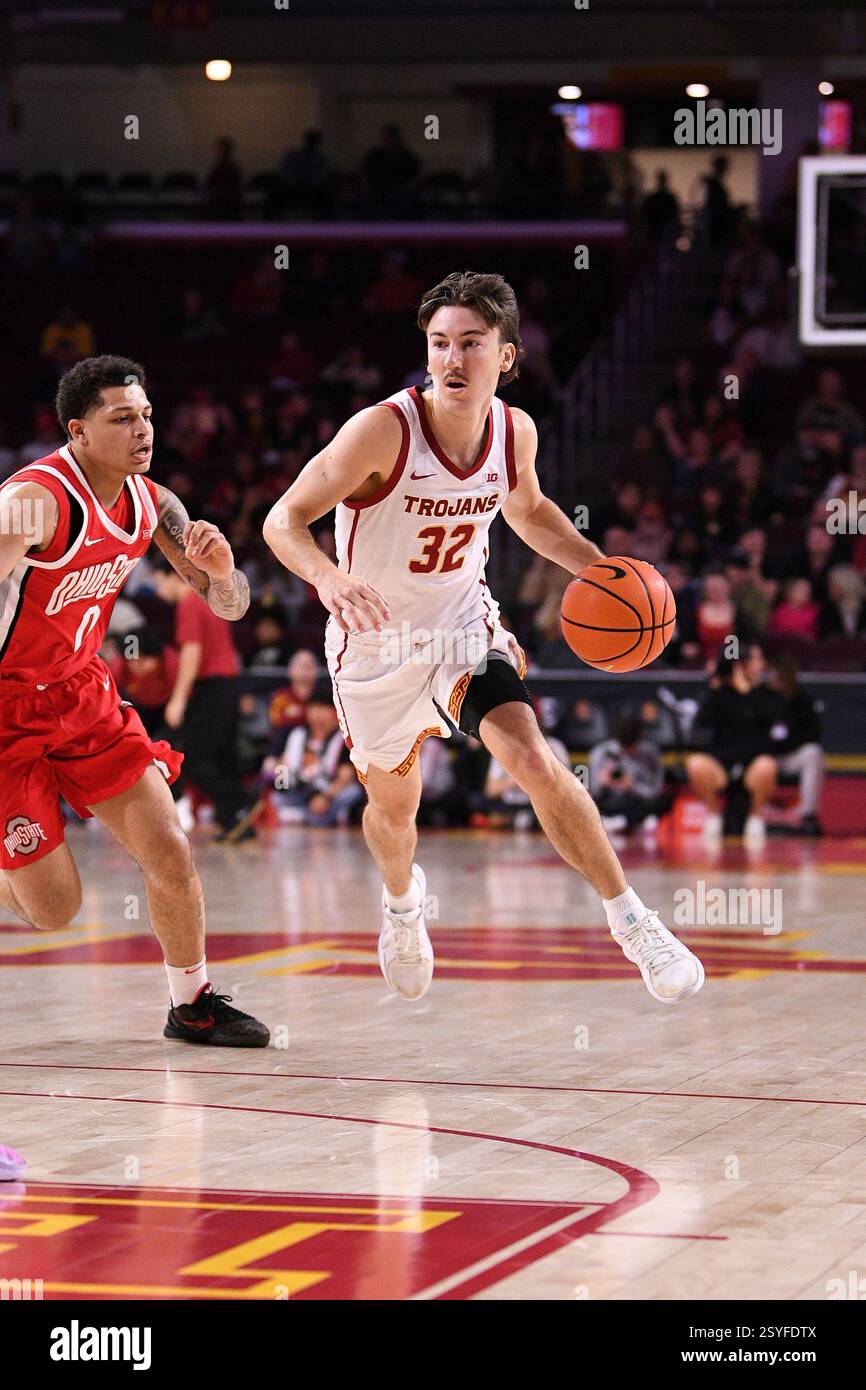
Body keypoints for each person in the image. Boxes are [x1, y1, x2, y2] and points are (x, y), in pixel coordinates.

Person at [263, 270, 704, 1005]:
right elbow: (284, 519)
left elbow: (526, 511)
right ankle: (404, 906)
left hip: (462, 628)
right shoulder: (381, 429)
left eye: (472, 343)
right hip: (374, 647)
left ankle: (634, 924)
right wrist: (326, 578)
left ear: (506, 355)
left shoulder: (514, 430)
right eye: (439, 344)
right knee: (394, 813)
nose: (452, 360)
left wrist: (600, 574)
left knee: (532, 756)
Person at [0, 355, 268, 1046]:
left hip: (83, 692)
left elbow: (230, 608)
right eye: (122, 419)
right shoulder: (34, 501)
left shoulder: (153, 503)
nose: (142, 429)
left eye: (145, 414)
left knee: (171, 849)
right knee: (56, 912)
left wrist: (223, 572)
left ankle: (193, 1004)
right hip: (7, 710)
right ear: (79, 432)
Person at [151, 556, 257, 842]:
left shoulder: (188, 604)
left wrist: (178, 699)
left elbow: (192, 652)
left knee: (194, 756)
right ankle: (236, 822)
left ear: (173, 576)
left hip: (212, 687)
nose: (156, 589)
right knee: (223, 755)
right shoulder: (208, 600)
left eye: (158, 581)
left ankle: (240, 802)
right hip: (228, 685)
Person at [686, 654, 777, 843]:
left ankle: (756, 817)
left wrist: (747, 692)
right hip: (721, 763)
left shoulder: (764, 693)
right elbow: (698, 733)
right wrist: (714, 688)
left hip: (752, 763)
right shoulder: (716, 694)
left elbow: (772, 724)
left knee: (767, 765)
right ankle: (713, 816)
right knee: (695, 763)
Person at [589, 714, 672, 835]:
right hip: (609, 801)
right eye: (624, 747)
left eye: (631, 748)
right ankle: (632, 820)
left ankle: (622, 821)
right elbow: (591, 791)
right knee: (590, 803)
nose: (627, 752)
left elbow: (656, 790)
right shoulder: (600, 752)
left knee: (665, 800)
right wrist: (604, 783)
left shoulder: (651, 753)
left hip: (638, 800)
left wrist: (633, 787)